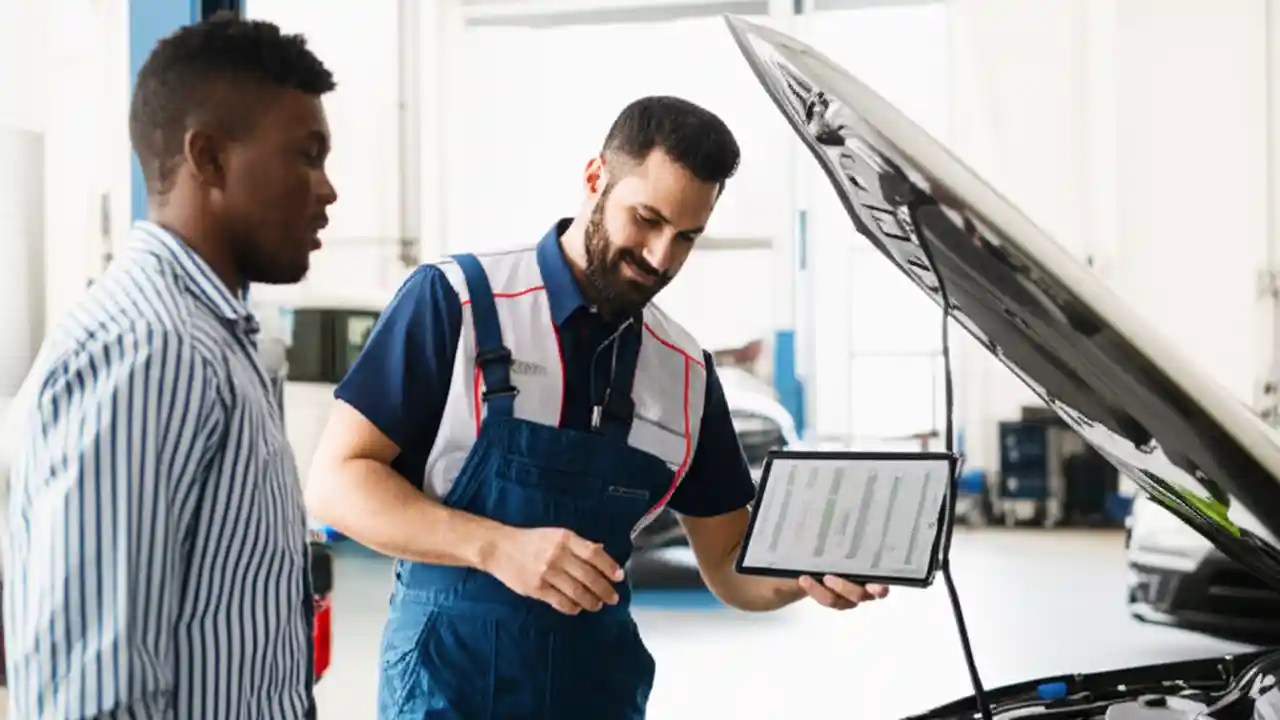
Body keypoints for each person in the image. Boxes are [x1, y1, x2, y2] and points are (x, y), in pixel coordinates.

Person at [305, 95, 887, 719]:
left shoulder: (683, 370)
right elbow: (337, 484)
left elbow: (726, 561)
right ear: (595, 179)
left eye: (687, 237)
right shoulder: (459, 303)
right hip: (448, 688)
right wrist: (496, 546)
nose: (662, 257)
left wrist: (803, 573)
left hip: (597, 693)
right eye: (647, 219)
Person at [2, 13, 338, 719]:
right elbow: (94, 697)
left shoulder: (215, 338)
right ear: (209, 158)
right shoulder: (149, 349)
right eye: (307, 156)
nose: (327, 190)